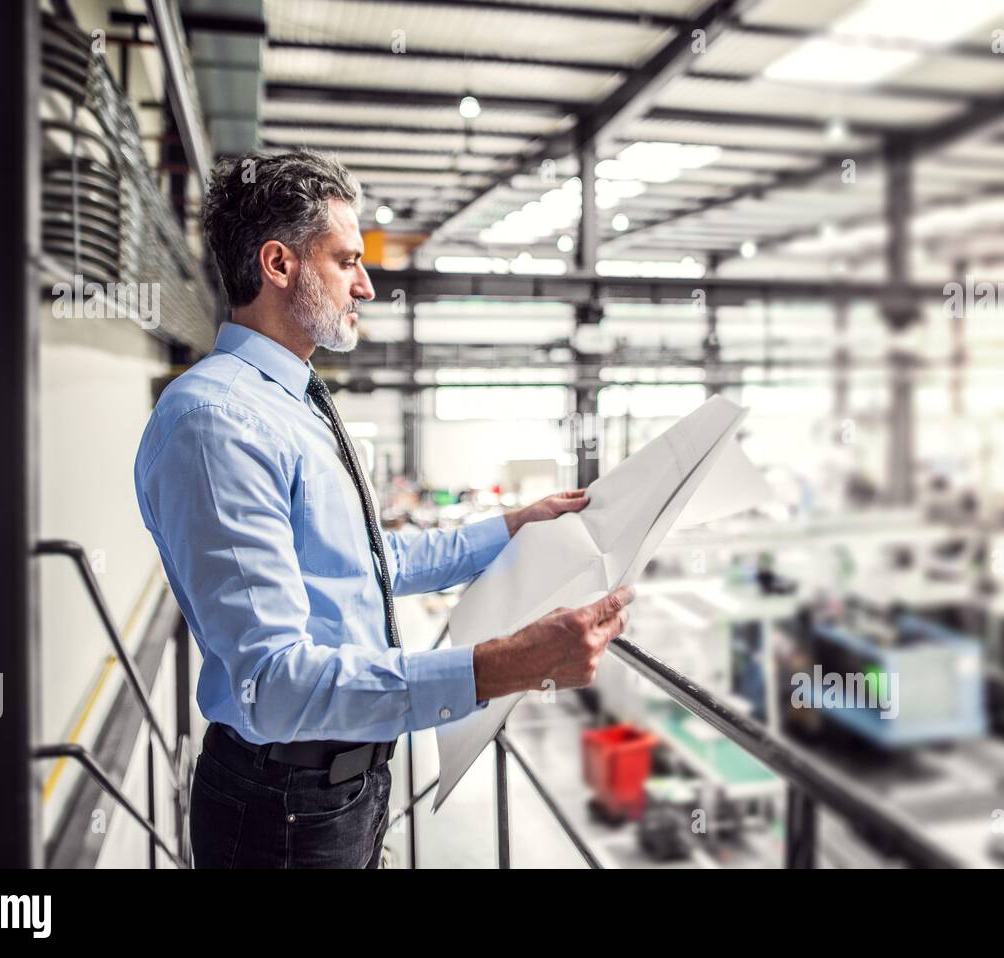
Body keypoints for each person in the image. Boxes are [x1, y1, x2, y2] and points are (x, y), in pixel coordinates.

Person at [133, 149, 633, 869]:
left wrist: (510, 530)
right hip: (282, 812)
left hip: (343, 788)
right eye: (346, 262)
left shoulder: (293, 401)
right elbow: (273, 684)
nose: (365, 285)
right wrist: (501, 667)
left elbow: (367, 561)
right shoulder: (218, 423)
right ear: (279, 264)